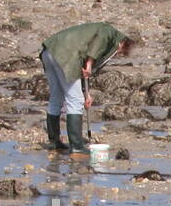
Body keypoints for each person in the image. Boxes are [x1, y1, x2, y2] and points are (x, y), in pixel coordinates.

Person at [39, 22, 137, 155]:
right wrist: (90, 63)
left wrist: (87, 94)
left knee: (56, 96)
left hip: (49, 51)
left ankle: (54, 142)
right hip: (65, 56)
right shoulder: (109, 32)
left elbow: (84, 72)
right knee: (75, 100)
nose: (118, 55)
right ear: (122, 44)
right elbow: (98, 44)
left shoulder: (98, 37)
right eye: (120, 52)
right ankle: (76, 145)